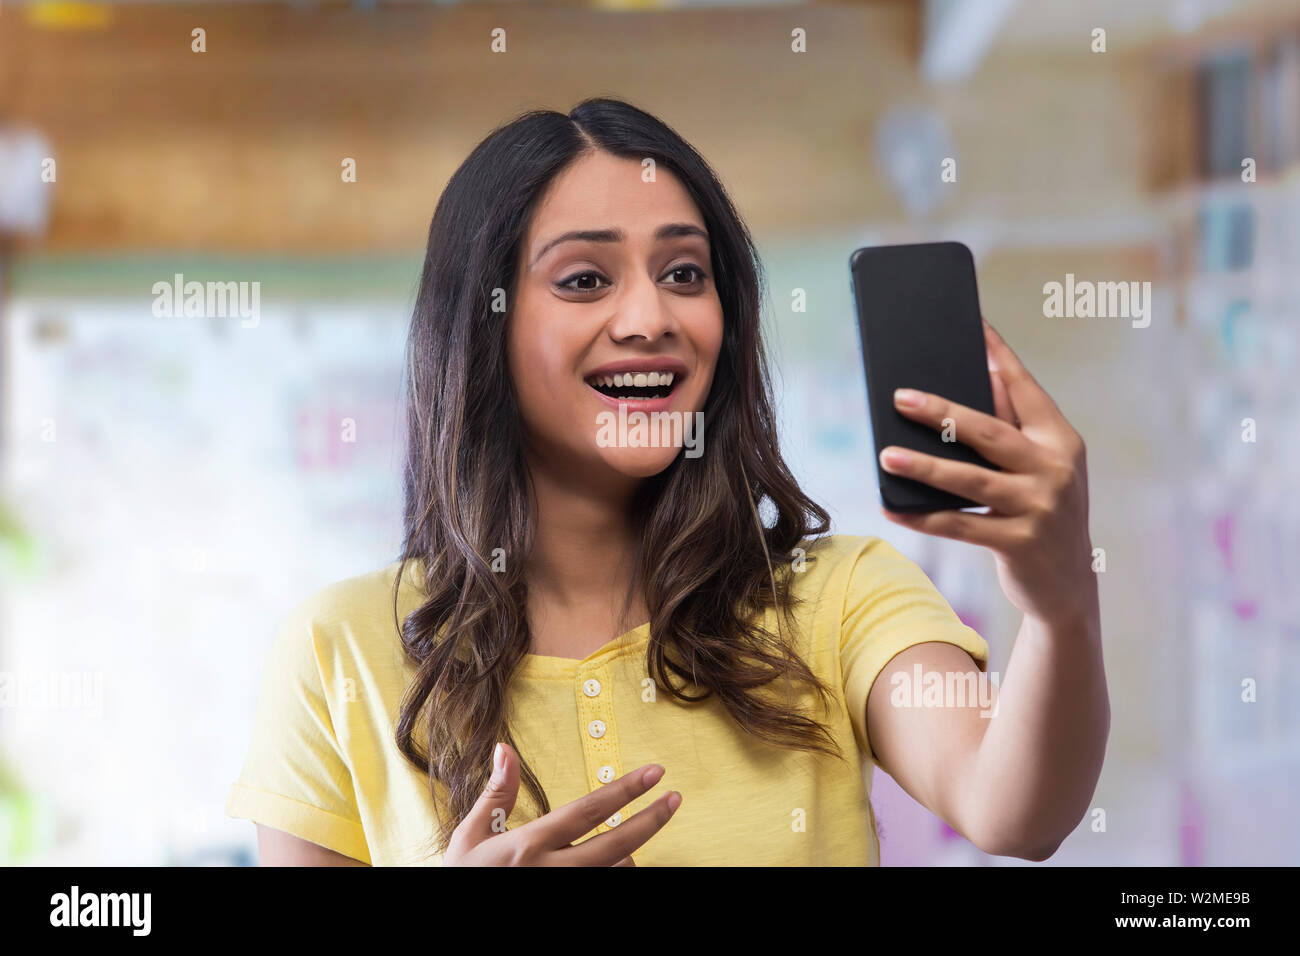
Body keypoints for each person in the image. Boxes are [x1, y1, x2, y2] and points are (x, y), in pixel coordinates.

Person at [226, 97, 1109, 866]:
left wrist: (1063, 604)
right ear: (481, 325)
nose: (650, 317)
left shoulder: (840, 597)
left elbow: (1015, 809)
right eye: (584, 279)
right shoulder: (336, 651)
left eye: (685, 273)